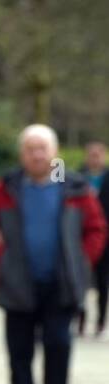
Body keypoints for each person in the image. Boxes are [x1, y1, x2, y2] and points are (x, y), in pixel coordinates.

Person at [0, 124, 107, 384]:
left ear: (54, 151)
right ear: (22, 154)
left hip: (61, 288)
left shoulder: (75, 188)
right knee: (19, 356)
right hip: (18, 287)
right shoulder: (4, 189)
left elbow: (97, 229)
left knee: (58, 351)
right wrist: (1, 257)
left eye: (43, 148)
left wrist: (81, 260)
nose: (37, 154)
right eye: (31, 148)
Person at [77, 140, 108, 337]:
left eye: (98, 154)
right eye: (91, 154)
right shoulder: (77, 178)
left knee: (102, 281)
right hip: (81, 236)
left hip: (105, 237)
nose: (94, 158)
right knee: (79, 280)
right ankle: (80, 319)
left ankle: (100, 321)